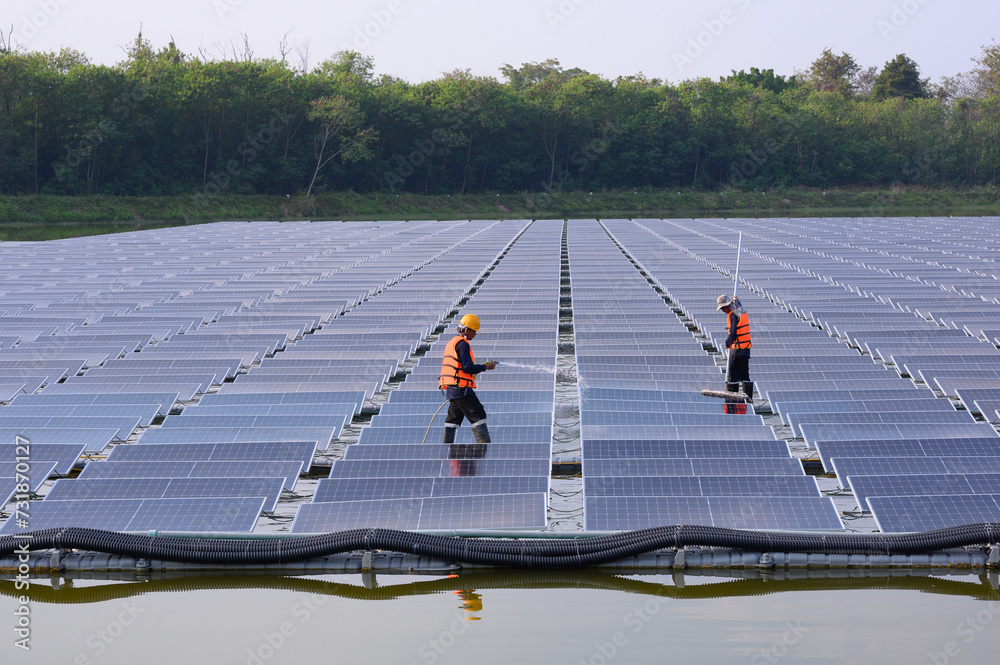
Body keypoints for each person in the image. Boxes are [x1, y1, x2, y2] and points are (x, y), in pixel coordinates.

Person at [439, 313, 497, 444]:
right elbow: (467, 367)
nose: (475, 334)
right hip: (461, 389)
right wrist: (485, 367)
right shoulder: (463, 344)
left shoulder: (453, 342)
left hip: (452, 389)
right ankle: (485, 450)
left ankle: (445, 449)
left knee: (453, 420)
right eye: (474, 331)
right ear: (467, 330)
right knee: (478, 415)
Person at [717, 294, 753, 401]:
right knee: (745, 376)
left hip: (737, 351)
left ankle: (733, 403)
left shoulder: (733, 315)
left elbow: (733, 333)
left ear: (728, 306)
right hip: (746, 350)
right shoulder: (741, 312)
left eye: (723, 308)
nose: (723, 311)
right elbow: (739, 306)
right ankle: (749, 401)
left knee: (733, 377)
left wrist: (727, 343)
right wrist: (737, 301)